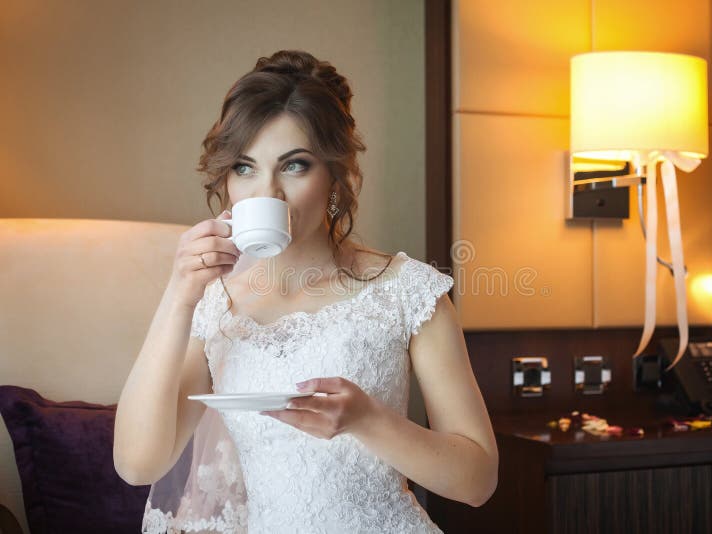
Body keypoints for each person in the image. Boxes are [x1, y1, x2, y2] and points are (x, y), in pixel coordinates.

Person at [114, 49, 498, 533]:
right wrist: (179, 294)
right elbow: (137, 465)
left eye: (294, 165)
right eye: (245, 168)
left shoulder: (407, 291)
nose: (267, 193)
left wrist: (367, 420)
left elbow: (478, 481)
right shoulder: (216, 306)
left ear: (335, 175)